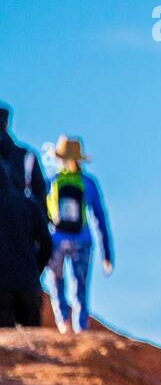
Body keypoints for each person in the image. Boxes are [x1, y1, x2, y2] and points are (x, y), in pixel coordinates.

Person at [46, 135, 114, 334]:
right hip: (82, 241)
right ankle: (80, 327)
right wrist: (107, 253)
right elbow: (100, 218)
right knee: (80, 284)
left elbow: (42, 212)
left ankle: (64, 324)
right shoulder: (88, 183)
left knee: (56, 282)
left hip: (56, 240)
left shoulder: (51, 181)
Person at [0, 179, 51, 327]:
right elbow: (46, 243)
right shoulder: (29, 204)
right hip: (30, 286)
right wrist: (36, 270)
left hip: (2, 290)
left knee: (6, 345)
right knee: (34, 347)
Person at [0, 102, 49, 206]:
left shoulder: (27, 157)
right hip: (19, 217)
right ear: (7, 123)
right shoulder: (27, 157)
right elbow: (41, 198)